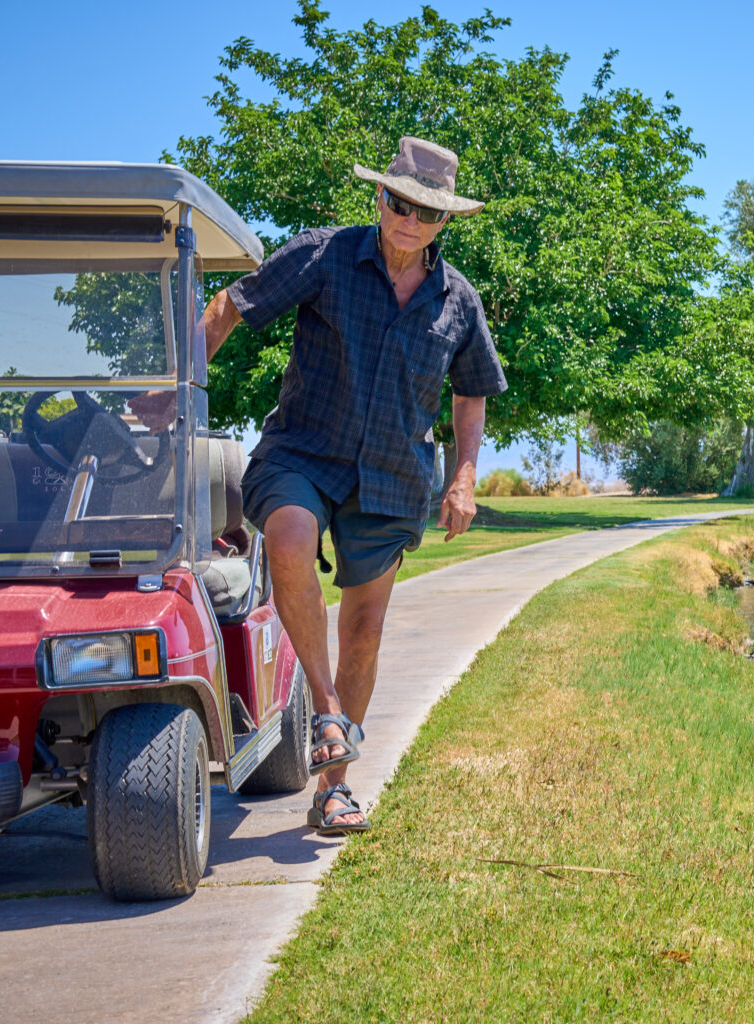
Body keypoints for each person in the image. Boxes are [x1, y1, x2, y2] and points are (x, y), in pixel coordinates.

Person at [199, 137, 506, 834]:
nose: (408, 219)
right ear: (380, 198)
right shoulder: (326, 253)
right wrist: (177, 389)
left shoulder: (459, 301)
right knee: (289, 533)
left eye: (425, 212)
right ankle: (325, 706)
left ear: (443, 222)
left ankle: (334, 788)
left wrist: (463, 479)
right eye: (398, 202)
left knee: (364, 629)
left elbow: (471, 394)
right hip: (303, 451)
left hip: (394, 475)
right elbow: (231, 305)